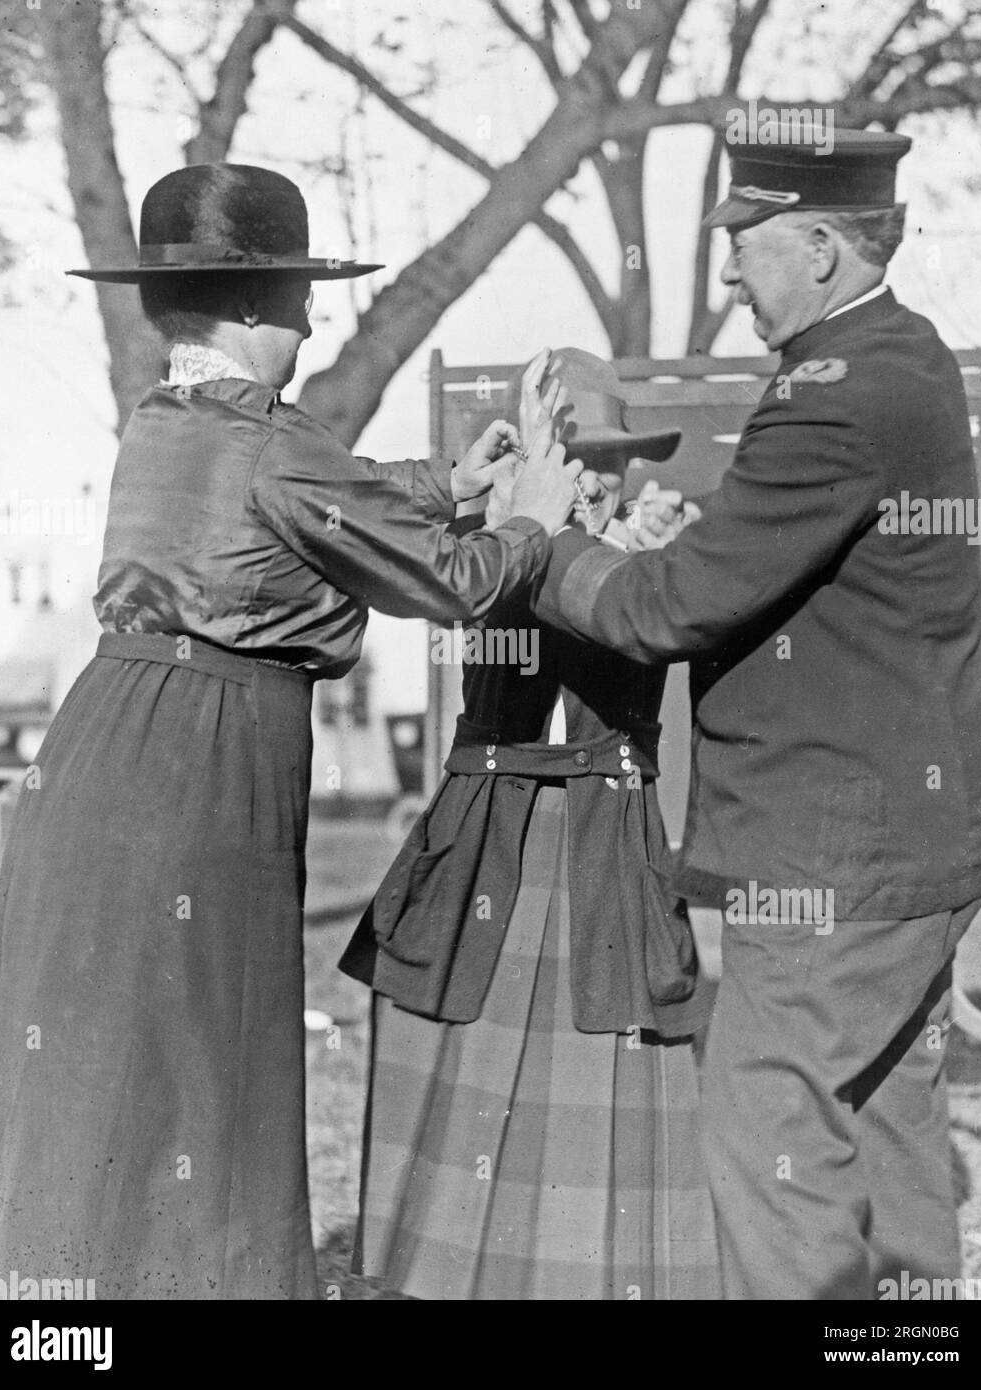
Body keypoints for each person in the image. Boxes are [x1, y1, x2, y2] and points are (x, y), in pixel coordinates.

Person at [0, 162, 579, 1301]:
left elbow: (311, 497)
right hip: (193, 775)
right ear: (250, 309)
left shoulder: (172, 419)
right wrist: (530, 512)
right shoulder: (270, 440)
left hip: (108, 747)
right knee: (203, 1061)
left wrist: (445, 477)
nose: (311, 311)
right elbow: (454, 584)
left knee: (116, 1067)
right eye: (297, 291)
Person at [531, 129, 981, 1299]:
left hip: (838, 850)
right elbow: (793, 564)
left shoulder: (834, 397)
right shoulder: (903, 354)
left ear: (822, 246)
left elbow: (671, 614)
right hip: (922, 838)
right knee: (888, 1131)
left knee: (766, 1134)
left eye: (742, 249)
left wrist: (552, 540)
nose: (729, 276)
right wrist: (687, 549)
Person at [339, 349, 720, 1301]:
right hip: (490, 845)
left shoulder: (642, 561)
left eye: (615, 457)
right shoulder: (500, 546)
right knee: (462, 1065)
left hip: (604, 849)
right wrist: (620, 552)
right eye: (578, 451)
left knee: (605, 1073)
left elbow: (641, 621)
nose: (597, 473)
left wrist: (644, 558)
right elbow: (548, 599)